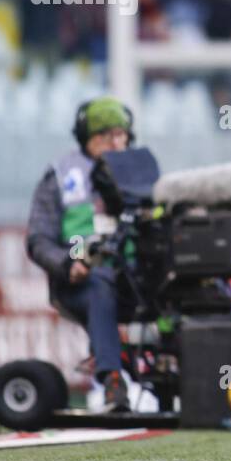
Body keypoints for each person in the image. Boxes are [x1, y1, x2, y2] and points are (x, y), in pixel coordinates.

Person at [25, 97, 137, 413]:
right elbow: (38, 239)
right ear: (87, 139)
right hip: (82, 273)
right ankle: (113, 379)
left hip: (134, 272)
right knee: (100, 282)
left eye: (120, 135)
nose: (115, 143)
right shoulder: (60, 175)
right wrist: (69, 262)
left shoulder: (139, 172)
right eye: (104, 137)